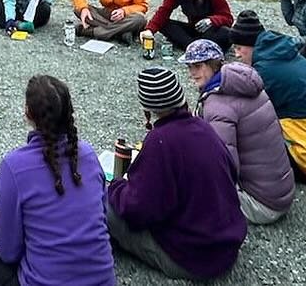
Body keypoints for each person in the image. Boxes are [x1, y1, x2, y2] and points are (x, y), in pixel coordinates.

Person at [0, 75, 115, 286]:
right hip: (102, 280)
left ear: (28, 113)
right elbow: (102, 215)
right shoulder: (88, 155)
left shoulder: (14, 165)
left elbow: (8, 254)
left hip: (41, 280)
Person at [106, 67, 247, 281]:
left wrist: (116, 187)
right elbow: (231, 172)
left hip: (192, 259)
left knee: (105, 206)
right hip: (226, 247)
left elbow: (137, 209)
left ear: (148, 108)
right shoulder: (204, 127)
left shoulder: (160, 141)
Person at [180, 39, 294, 225]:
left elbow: (224, 167)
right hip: (279, 192)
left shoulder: (219, 104)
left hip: (261, 204)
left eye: (198, 66)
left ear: (213, 65)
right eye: (189, 66)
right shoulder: (240, 82)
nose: (192, 73)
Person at [229, 10, 306, 183]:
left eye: (239, 48)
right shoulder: (285, 54)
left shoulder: (265, 71)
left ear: (252, 45)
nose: (237, 54)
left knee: (250, 134)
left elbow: (248, 112)